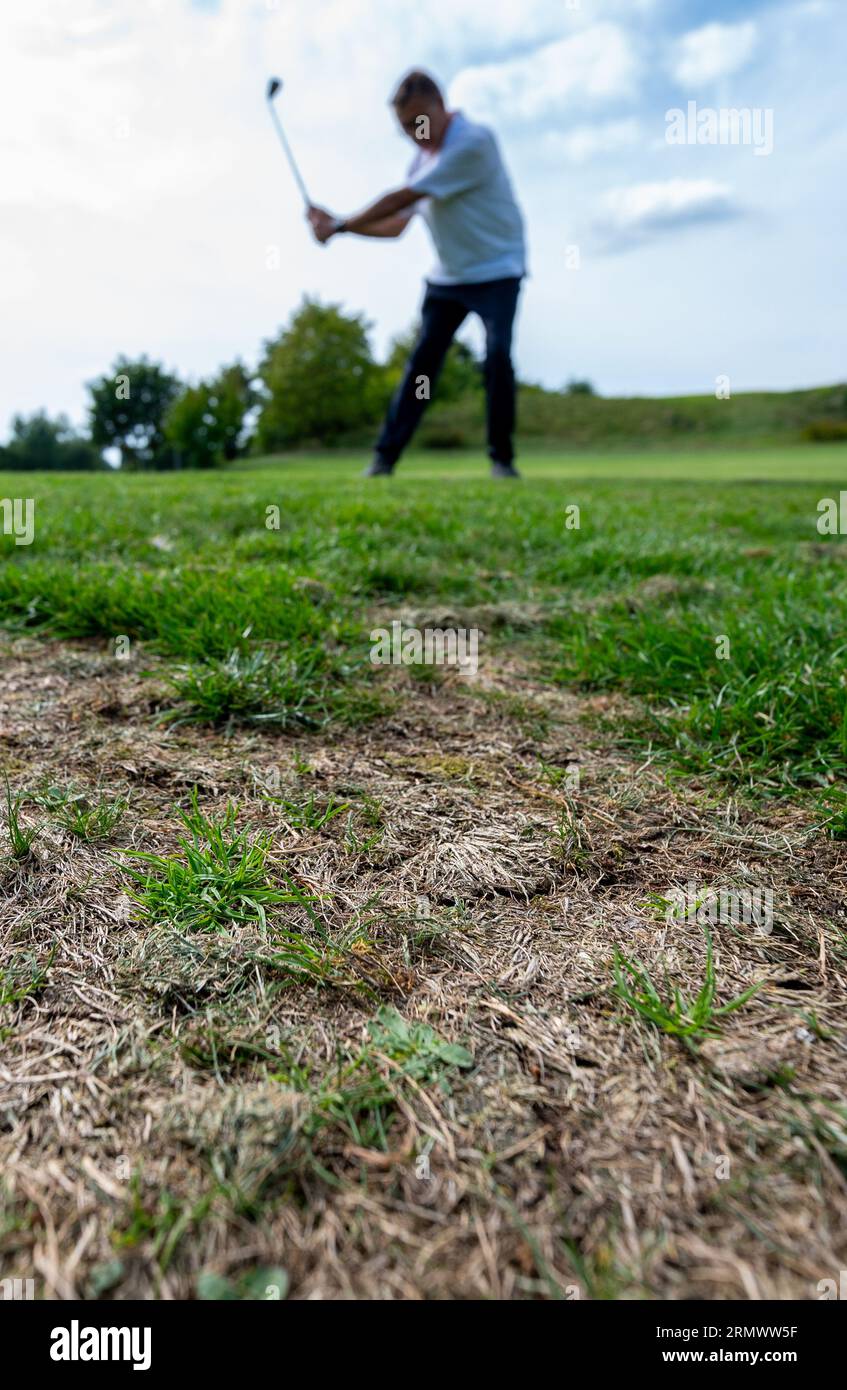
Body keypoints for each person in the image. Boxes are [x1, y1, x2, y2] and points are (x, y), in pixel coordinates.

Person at [308, 69, 527, 478]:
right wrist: (340, 227)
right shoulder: (420, 163)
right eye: (406, 127)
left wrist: (339, 224)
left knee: (496, 356)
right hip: (449, 277)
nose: (415, 132)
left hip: (498, 269)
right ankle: (384, 459)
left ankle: (502, 460)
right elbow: (395, 226)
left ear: (442, 106)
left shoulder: (474, 143)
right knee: (422, 366)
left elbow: (402, 199)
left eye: (419, 120)